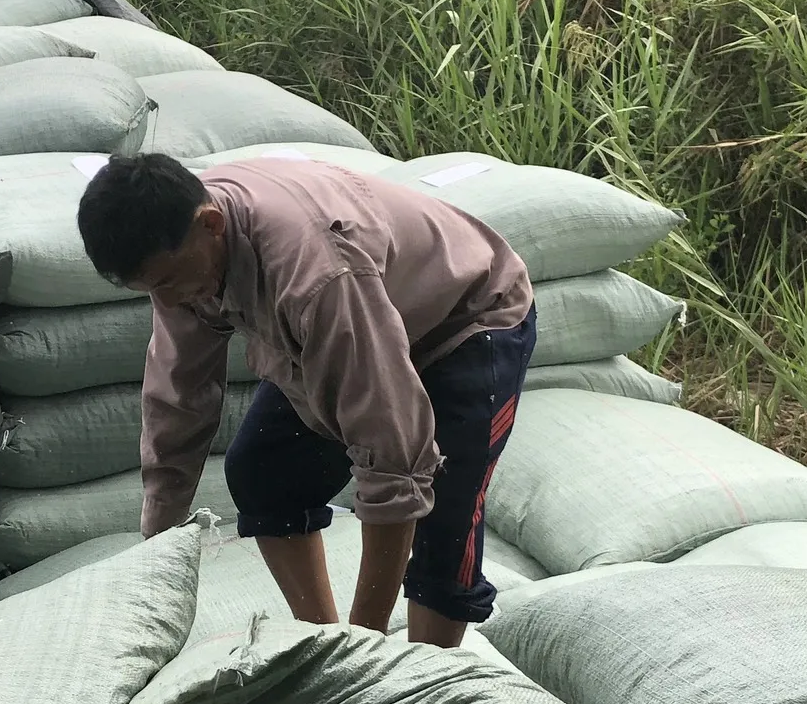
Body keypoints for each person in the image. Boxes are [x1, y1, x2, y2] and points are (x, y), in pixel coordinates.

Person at [77, 151, 535, 646]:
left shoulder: (317, 272)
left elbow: (392, 458)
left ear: (211, 224)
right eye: (150, 289)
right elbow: (180, 394)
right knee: (262, 471)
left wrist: (366, 646)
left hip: (465, 322)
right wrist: (158, 542)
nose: (165, 302)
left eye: (166, 283)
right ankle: (323, 643)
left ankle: (412, 679)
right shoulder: (178, 248)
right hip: (361, 321)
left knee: (443, 516)